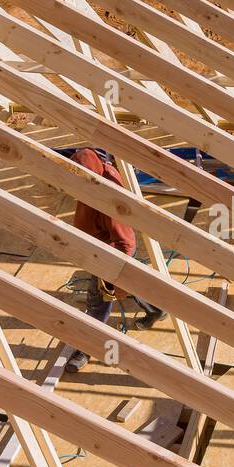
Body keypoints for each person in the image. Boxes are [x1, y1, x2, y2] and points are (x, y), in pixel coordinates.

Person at [65, 147, 165, 373]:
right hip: (97, 247)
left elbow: (126, 242)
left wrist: (114, 276)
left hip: (109, 254)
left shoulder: (108, 197)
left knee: (98, 301)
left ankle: (88, 348)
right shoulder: (89, 172)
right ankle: (156, 308)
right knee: (132, 284)